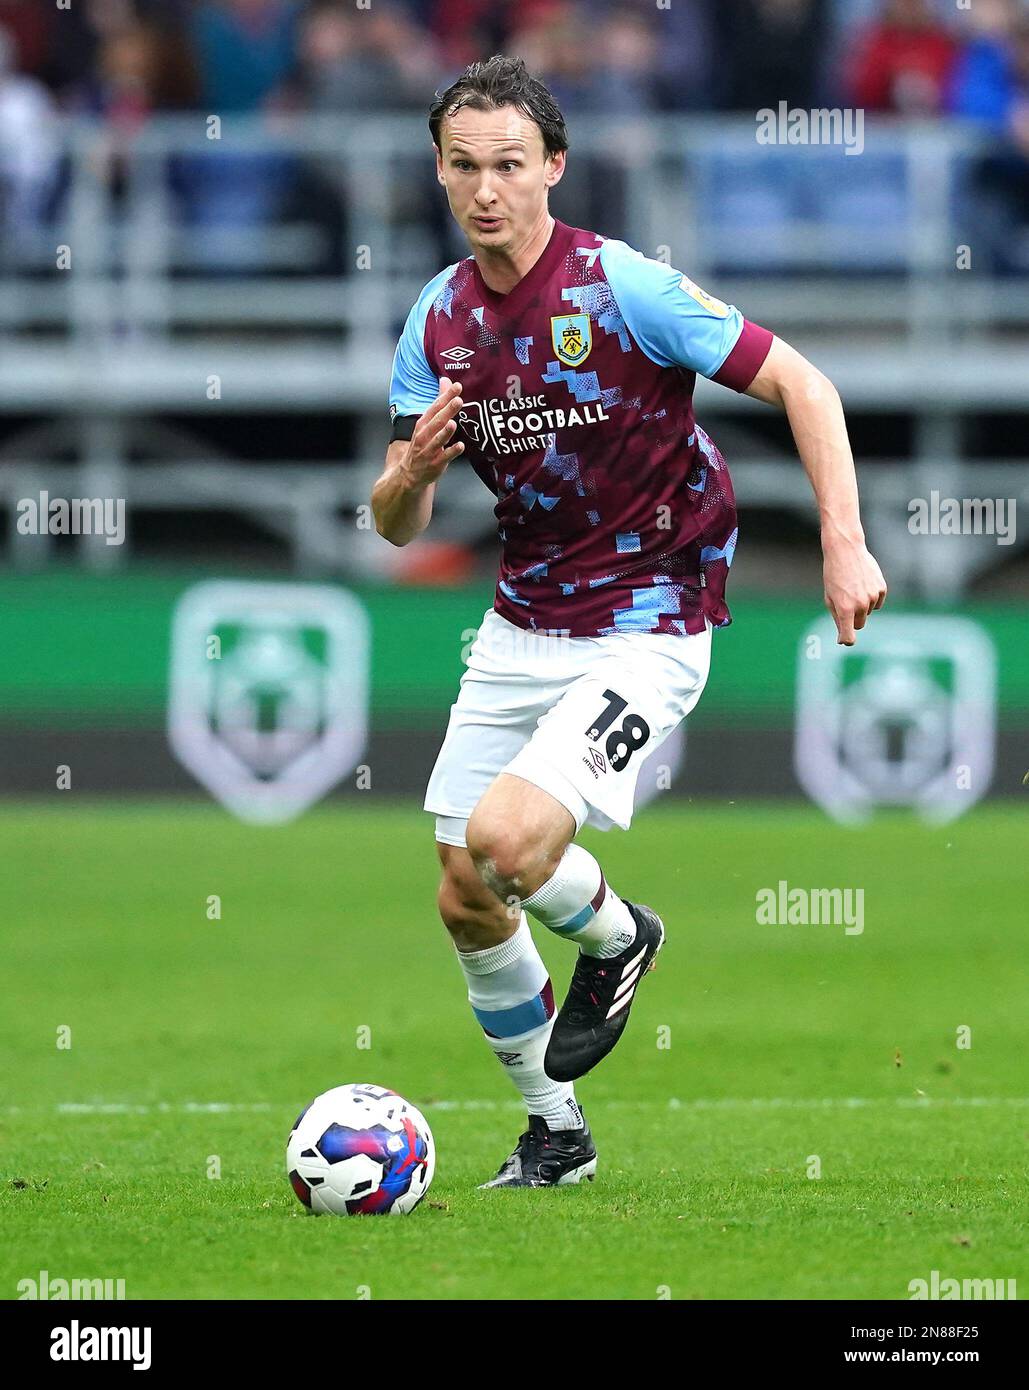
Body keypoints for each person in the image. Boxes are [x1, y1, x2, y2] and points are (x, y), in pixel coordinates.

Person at [371, 55, 887, 1189]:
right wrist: (408, 472)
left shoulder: (624, 288)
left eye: (510, 163)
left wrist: (844, 539)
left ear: (553, 166)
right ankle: (555, 1132)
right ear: (442, 175)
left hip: (651, 614)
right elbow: (396, 524)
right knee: (463, 888)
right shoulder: (438, 320)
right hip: (524, 618)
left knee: (510, 844)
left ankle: (617, 934)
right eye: (464, 166)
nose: (486, 188)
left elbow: (807, 384)